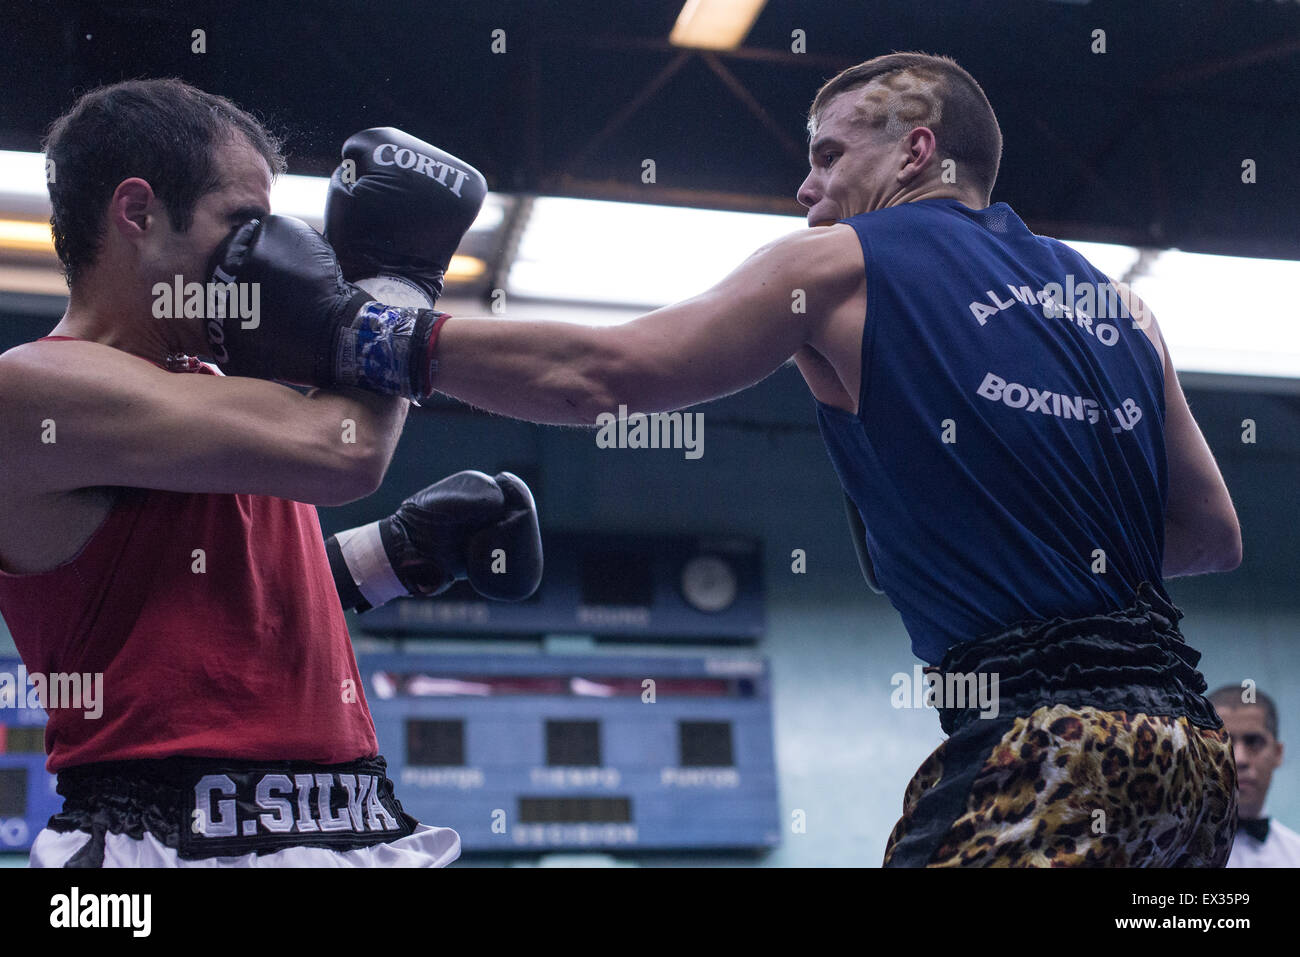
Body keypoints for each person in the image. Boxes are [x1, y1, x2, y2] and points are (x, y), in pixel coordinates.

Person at [269, 52, 1242, 866]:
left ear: (915, 150)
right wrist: (1031, 520)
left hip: (1048, 743)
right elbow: (1208, 533)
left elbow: (603, 375)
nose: (805, 186)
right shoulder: (1113, 303)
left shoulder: (837, 264)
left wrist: (366, 329)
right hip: (1192, 756)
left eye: (826, 155)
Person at [0, 78, 541, 867]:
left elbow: (208, 606)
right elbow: (345, 447)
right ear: (139, 214)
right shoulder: (33, 388)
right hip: (162, 843)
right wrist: (398, 275)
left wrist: (390, 556)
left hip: (342, 815)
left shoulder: (214, 396)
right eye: (240, 225)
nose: (257, 259)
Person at [1209, 686, 1300, 867]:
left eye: (1254, 741)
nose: (1240, 759)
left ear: (1278, 753)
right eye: (1223, 741)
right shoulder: (1165, 853)